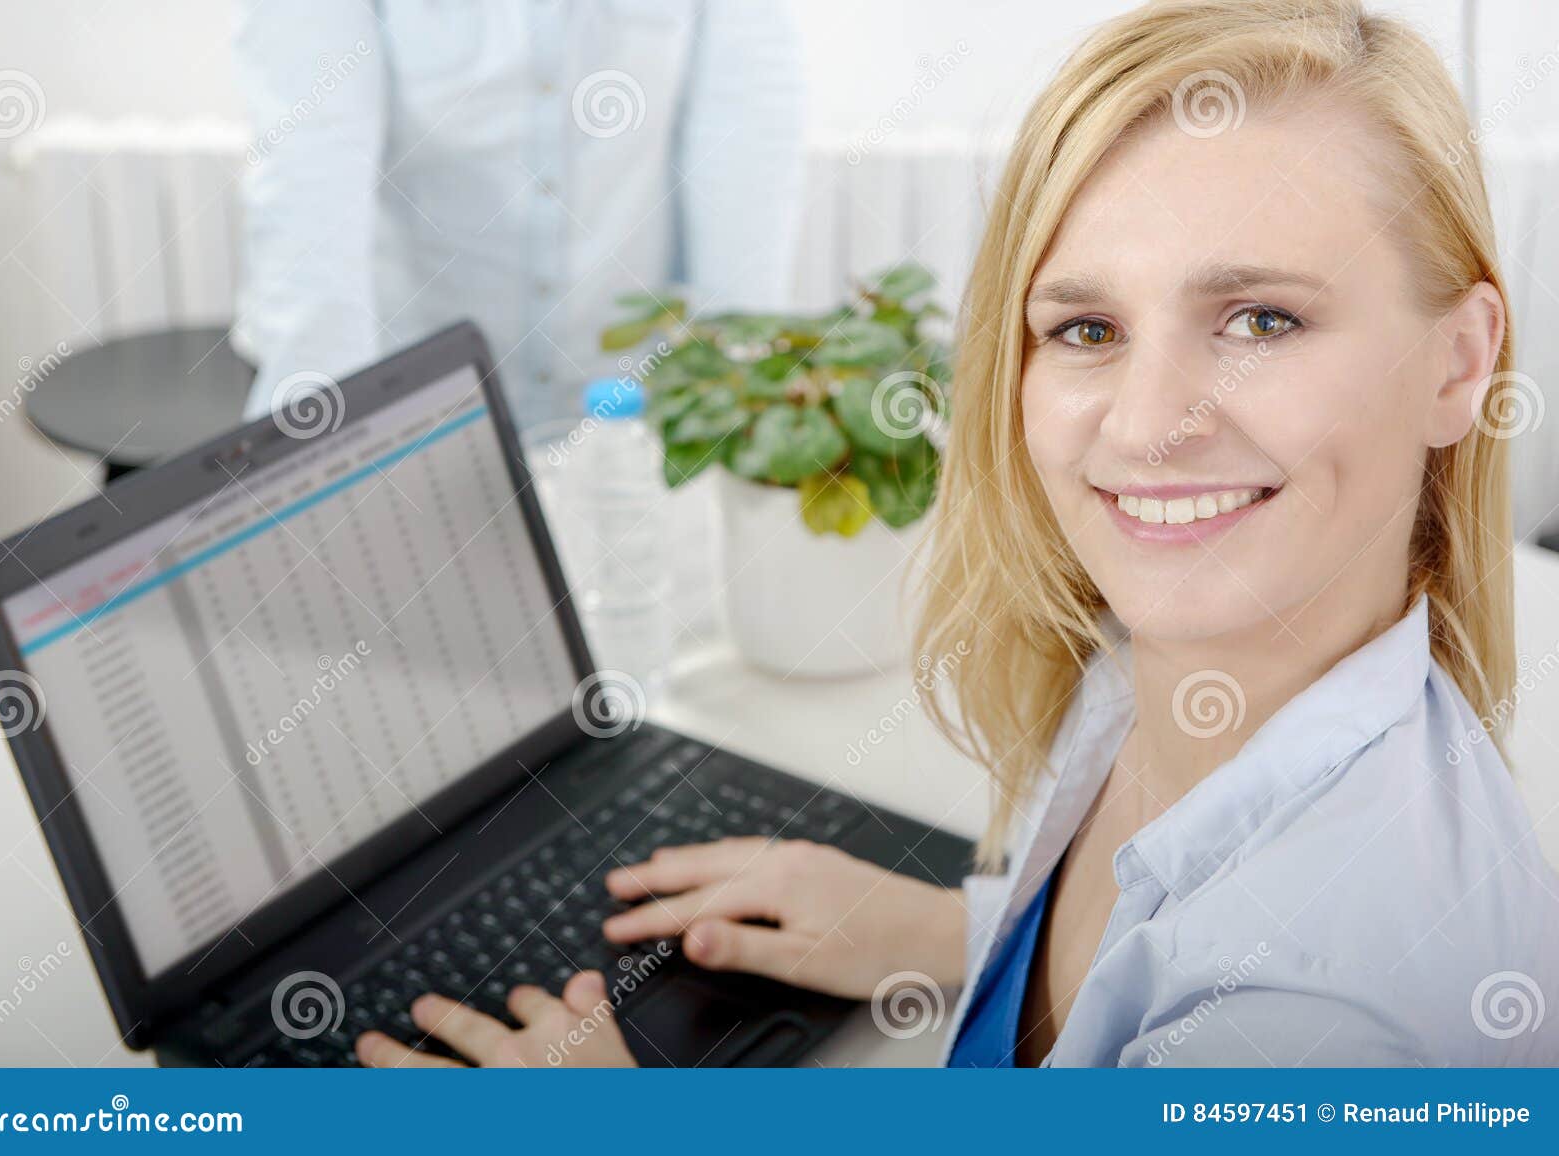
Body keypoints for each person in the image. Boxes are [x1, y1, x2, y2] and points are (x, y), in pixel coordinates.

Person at [355, 0, 1559, 1068]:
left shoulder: (1321, 1030)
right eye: (1085, 329)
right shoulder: (1156, 666)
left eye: (1258, 318)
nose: (1143, 428)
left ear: (1457, 364)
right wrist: (951, 931)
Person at [232, 0, 804, 432]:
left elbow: (746, 128)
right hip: (407, 381)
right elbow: (311, 159)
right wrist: (322, 439)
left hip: (623, 393)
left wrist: (741, 391)